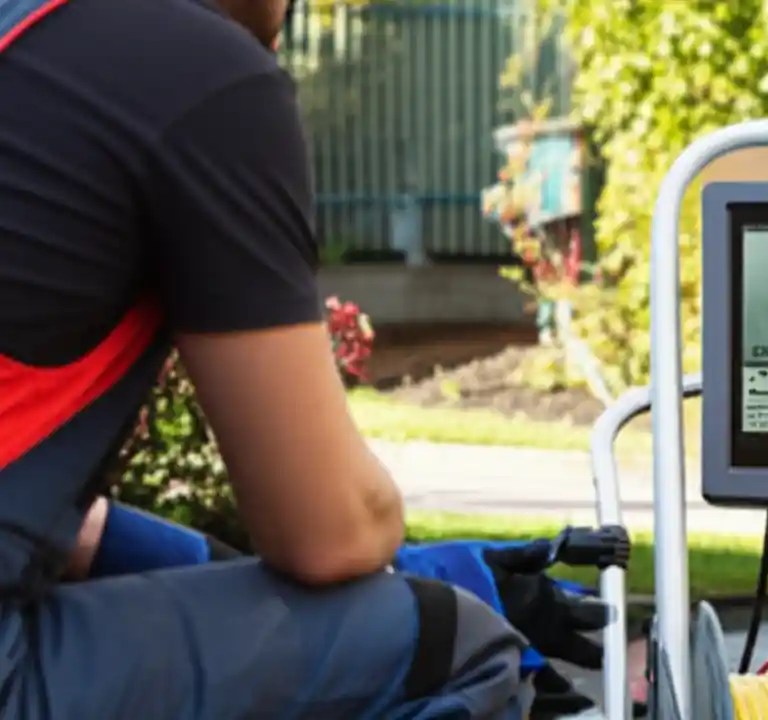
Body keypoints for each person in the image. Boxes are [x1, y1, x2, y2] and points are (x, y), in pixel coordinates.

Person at [0, 0, 598, 717]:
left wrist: (239, 575)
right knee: (449, 643)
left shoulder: (30, 49)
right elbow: (331, 532)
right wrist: (421, 578)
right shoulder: (194, 72)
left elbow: (50, 522)